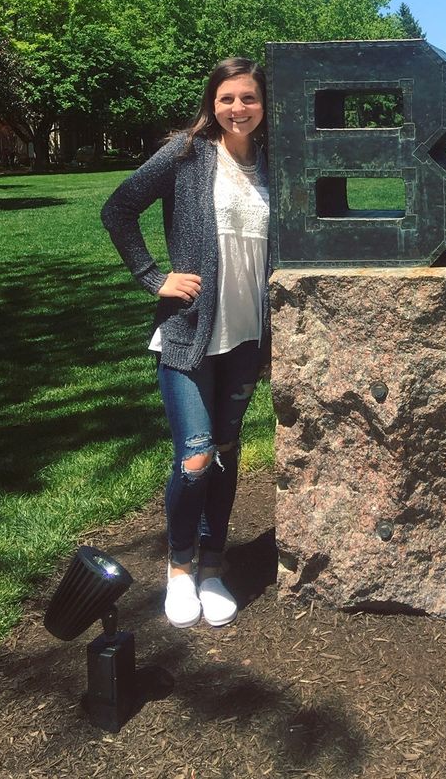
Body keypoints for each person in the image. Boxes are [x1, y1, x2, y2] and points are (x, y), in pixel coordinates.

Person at [102, 58, 270, 629]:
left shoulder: (274, 163)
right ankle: (179, 569)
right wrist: (153, 276)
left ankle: (213, 568)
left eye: (248, 98)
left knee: (225, 451)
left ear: (263, 104)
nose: (238, 109)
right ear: (212, 103)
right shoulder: (186, 153)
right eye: (227, 98)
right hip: (189, 332)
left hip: (247, 337)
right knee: (195, 457)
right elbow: (118, 209)